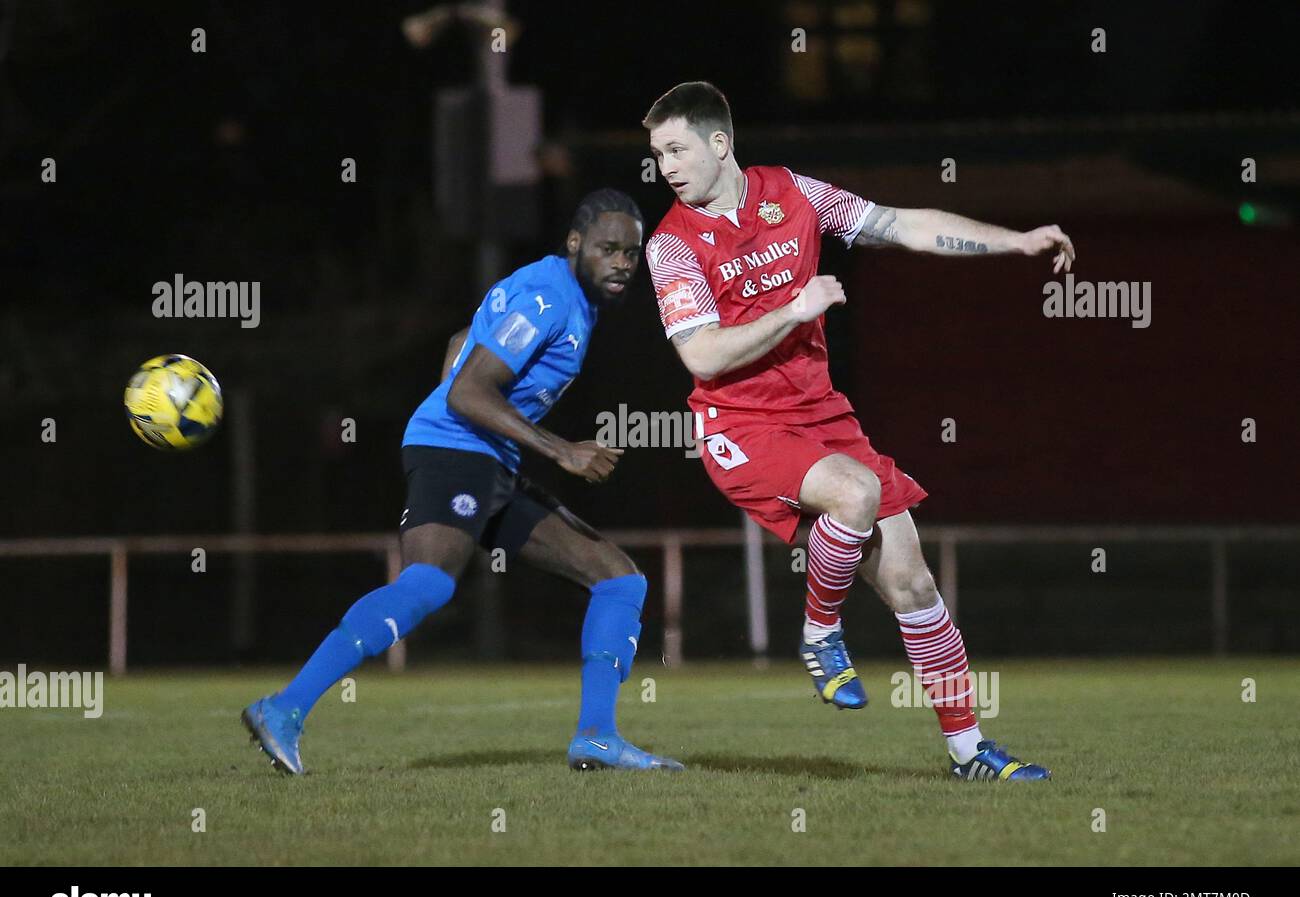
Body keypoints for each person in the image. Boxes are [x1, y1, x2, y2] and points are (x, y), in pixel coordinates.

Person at [642, 82, 1074, 781]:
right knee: (857, 492)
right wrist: (795, 309)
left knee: (915, 585)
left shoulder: (793, 194)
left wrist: (1014, 241)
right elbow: (703, 356)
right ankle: (820, 632)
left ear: (720, 143)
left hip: (821, 415)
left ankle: (969, 753)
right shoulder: (671, 245)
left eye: (676, 149)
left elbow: (900, 225)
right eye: (659, 153)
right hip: (741, 425)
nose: (665, 166)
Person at [242, 189, 683, 774]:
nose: (622, 263)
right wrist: (561, 450)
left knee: (619, 580)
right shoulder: (551, 297)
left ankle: (597, 737)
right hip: (456, 452)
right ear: (575, 243)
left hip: (489, 460)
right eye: (608, 249)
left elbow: (463, 343)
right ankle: (284, 709)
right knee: (427, 584)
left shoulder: (565, 294)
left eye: (631, 252)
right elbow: (468, 391)